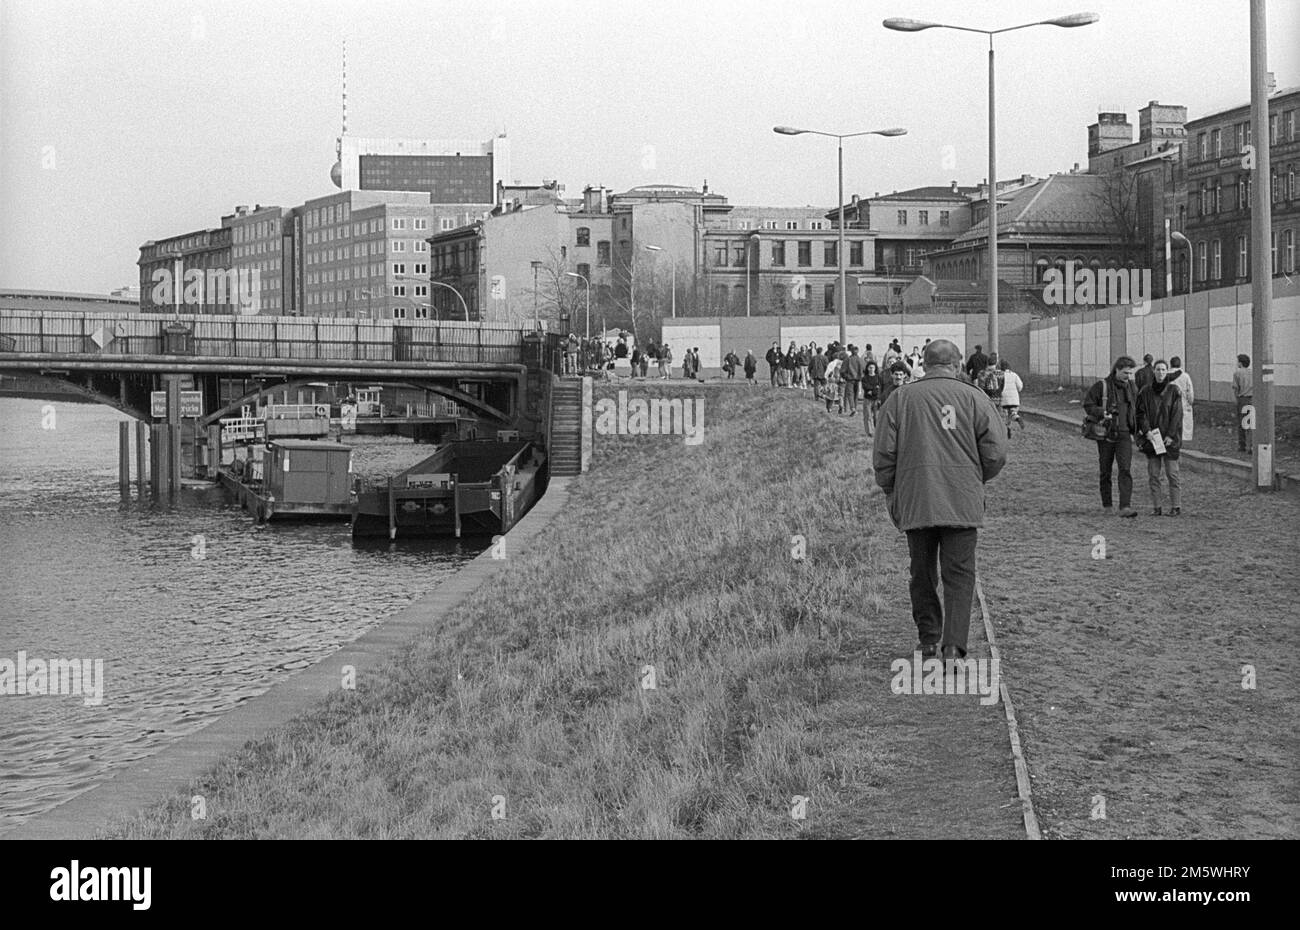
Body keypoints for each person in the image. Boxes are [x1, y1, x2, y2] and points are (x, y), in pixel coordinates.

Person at [874, 339, 1008, 663]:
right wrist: (974, 478)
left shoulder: (900, 399)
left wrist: (892, 489)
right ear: (958, 364)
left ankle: (928, 638)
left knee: (921, 571)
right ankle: (954, 646)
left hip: (917, 498)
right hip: (962, 501)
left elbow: (883, 455)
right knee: (960, 574)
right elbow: (997, 452)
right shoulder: (975, 399)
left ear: (925, 362)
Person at [1083, 356, 1141, 518]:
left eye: (1130, 373)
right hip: (1106, 433)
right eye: (1125, 373)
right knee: (1105, 470)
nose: (1127, 376)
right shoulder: (1102, 386)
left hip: (1124, 434)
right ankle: (1107, 505)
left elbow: (1137, 409)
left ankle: (1125, 506)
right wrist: (1103, 413)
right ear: (1116, 369)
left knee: (1125, 468)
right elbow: (1088, 405)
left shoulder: (1132, 387)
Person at [1135, 360, 1184, 516]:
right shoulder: (1145, 391)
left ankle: (1176, 506)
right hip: (1153, 439)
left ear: (1167, 371)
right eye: (1158, 369)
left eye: (1163, 369)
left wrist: (1170, 435)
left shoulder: (1174, 390)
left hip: (1170, 439)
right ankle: (1157, 507)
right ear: (1153, 371)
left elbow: (1177, 415)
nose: (1160, 372)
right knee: (1154, 474)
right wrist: (1146, 431)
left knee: (1172, 473)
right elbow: (1140, 413)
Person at [1167, 356, 1194, 442]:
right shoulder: (1185, 376)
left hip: (1169, 403)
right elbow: (1190, 391)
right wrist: (1190, 402)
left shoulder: (1166, 375)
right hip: (1183, 402)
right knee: (1184, 422)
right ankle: (1183, 437)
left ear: (1170, 364)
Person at [999, 358, 1025, 437]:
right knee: (1012, 413)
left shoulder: (1000, 375)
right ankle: (1017, 417)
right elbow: (1020, 386)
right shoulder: (1014, 375)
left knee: (1005, 416)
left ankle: (1007, 430)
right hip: (1014, 399)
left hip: (1004, 400)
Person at [1233, 353, 1253, 452]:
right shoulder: (1253, 372)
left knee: (1242, 423)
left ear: (1240, 363)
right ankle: (1251, 446)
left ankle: (1242, 445)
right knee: (1251, 423)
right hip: (1252, 399)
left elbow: (1236, 388)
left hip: (1242, 399)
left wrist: (1236, 399)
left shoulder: (1237, 373)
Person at [840, 345, 864, 415]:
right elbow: (865, 369)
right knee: (856, 395)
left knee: (850, 394)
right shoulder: (860, 360)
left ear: (851, 351)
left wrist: (845, 377)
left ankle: (852, 408)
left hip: (850, 379)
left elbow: (842, 371)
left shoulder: (848, 359)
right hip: (858, 379)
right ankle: (855, 408)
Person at [862, 360, 883, 439]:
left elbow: (879, 387)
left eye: (873, 367)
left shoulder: (878, 377)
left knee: (876, 417)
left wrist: (872, 390)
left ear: (875, 368)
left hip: (876, 399)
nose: (871, 369)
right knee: (868, 416)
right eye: (870, 367)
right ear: (867, 368)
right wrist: (874, 388)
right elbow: (865, 387)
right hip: (867, 399)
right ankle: (869, 432)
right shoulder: (864, 378)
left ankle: (877, 431)